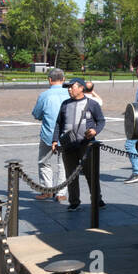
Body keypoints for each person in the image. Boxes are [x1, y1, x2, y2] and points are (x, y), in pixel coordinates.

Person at [54, 77, 106, 212]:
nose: (70, 89)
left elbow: (101, 121)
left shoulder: (92, 104)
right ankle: (74, 202)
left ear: (81, 88)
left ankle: (97, 199)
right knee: (71, 175)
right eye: (69, 87)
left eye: (72, 87)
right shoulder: (65, 104)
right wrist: (55, 140)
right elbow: (58, 123)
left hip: (86, 145)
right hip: (68, 145)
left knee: (91, 174)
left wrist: (95, 131)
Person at [30, 67, 68, 201]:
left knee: (44, 162)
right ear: (63, 79)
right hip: (67, 135)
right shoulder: (70, 93)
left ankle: (47, 190)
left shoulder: (45, 95)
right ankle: (61, 193)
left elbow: (37, 114)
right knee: (63, 164)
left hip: (49, 134)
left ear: (49, 80)